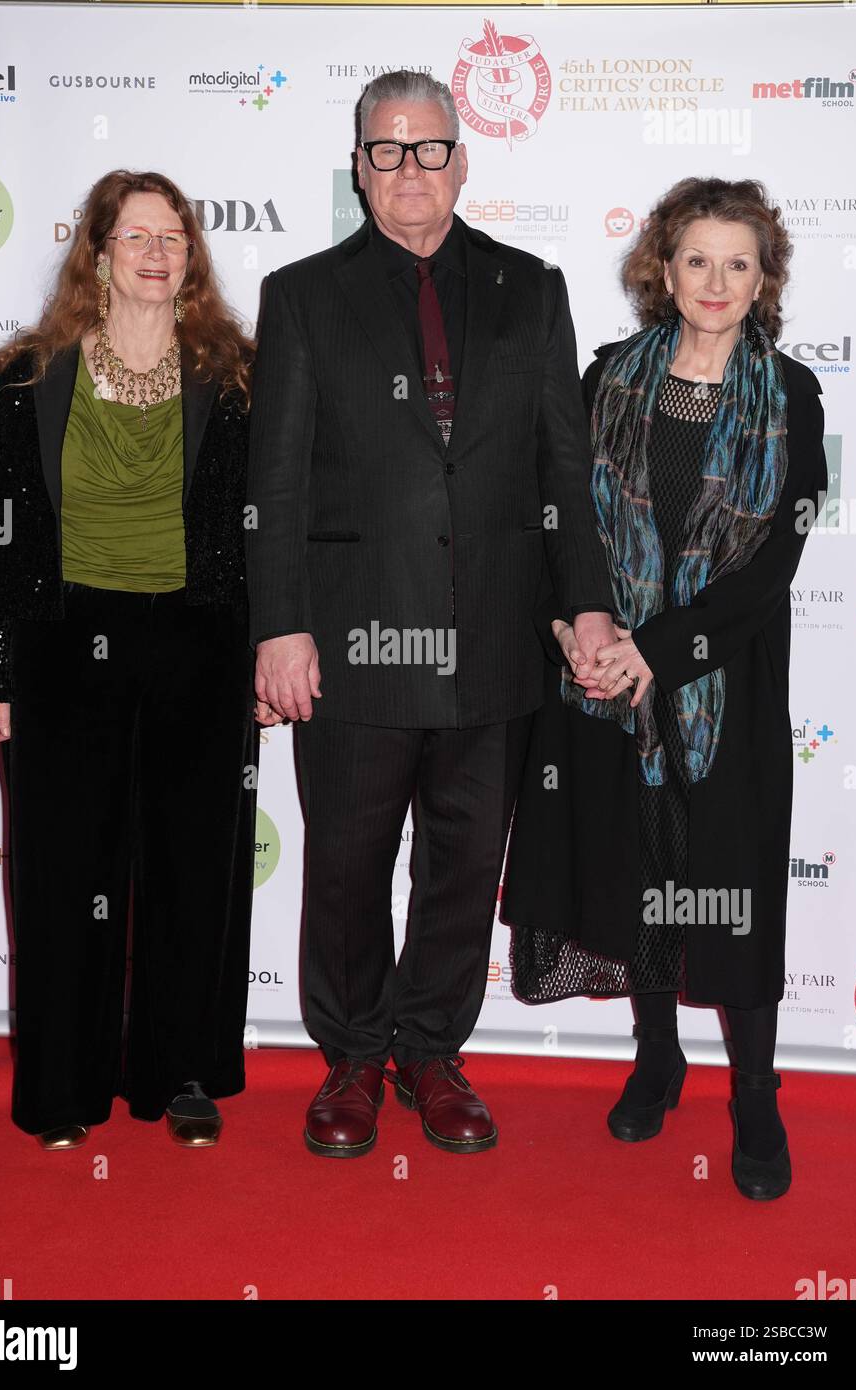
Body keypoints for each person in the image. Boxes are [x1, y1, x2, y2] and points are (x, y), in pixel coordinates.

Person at [245, 69, 615, 1158]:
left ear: (462, 157)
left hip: (495, 638)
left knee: (462, 864)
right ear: (359, 168)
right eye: (386, 151)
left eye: (428, 148)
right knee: (348, 866)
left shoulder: (532, 287)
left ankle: (430, 1050)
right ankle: (354, 1056)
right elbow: (278, 480)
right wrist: (280, 624)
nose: (409, 170)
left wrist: (587, 607)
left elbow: (565, 465)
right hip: (351, 642)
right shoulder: (303, 293)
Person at [501, 177, 828, 1200]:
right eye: (698, 259)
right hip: (605, 687)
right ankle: (656, 1058)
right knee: (634, 870)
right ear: (665, 269)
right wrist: (576, 626)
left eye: (740, 261)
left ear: (764, 275)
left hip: (723, 685)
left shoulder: (796, 395)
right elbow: (562, 519)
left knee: (730, 895)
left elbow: (776, 559)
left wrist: (664, 648)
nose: (717, 280)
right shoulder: (609, 378)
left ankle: (757, 1094)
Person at [0, 169, 263, 1150]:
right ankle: (61, 1086)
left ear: (193, 255)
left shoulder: (239, 376)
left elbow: (263, 533)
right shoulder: (33, 376)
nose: (157, 251)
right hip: (60, 646)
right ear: (97, 253)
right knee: (62, 873)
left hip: (200, 648)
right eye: (134, 236)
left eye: (173, 235)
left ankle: (179, 1074)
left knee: (192, 871)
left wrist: (265, 653)